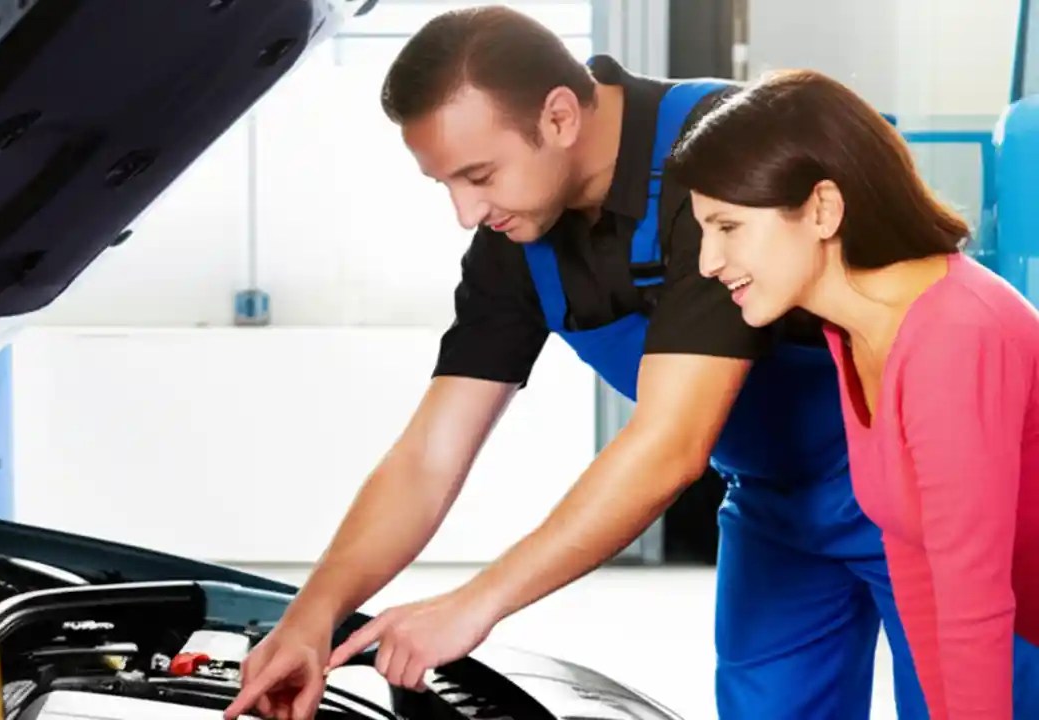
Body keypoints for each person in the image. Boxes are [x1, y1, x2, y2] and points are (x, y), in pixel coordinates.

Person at [224, 8, 928, 720]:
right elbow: (429, 456)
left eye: (478, 175)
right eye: (446, 185)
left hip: (929, 492)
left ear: (560, 117)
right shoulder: (515, 236)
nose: (466, 212)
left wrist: (476, 603)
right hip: (778, 510)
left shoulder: (721, 157)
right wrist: (310, 619)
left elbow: (669, 446)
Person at [667, 68, 1039, 719]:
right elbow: (916, 563)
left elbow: (972, 601)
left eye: (728, 228)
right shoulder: (853, 332)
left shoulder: (953, 334)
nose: (708, 261)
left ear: (822, 210)